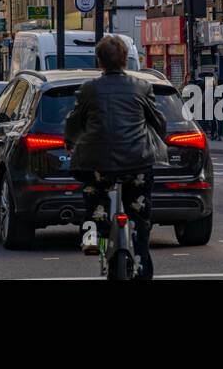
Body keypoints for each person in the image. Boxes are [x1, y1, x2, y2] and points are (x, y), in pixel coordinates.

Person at [64, 35, 165, 280]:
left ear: (99, 62)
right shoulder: (142, 87)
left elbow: (74, 122)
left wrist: (70, 143)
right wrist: (159, 136)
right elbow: (159, 121)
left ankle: (93, 235)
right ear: (125, 61)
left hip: (96, 163)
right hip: (137, 161)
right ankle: (141, 263)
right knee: (140, 216)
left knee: (93, 198)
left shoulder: (88, 89)